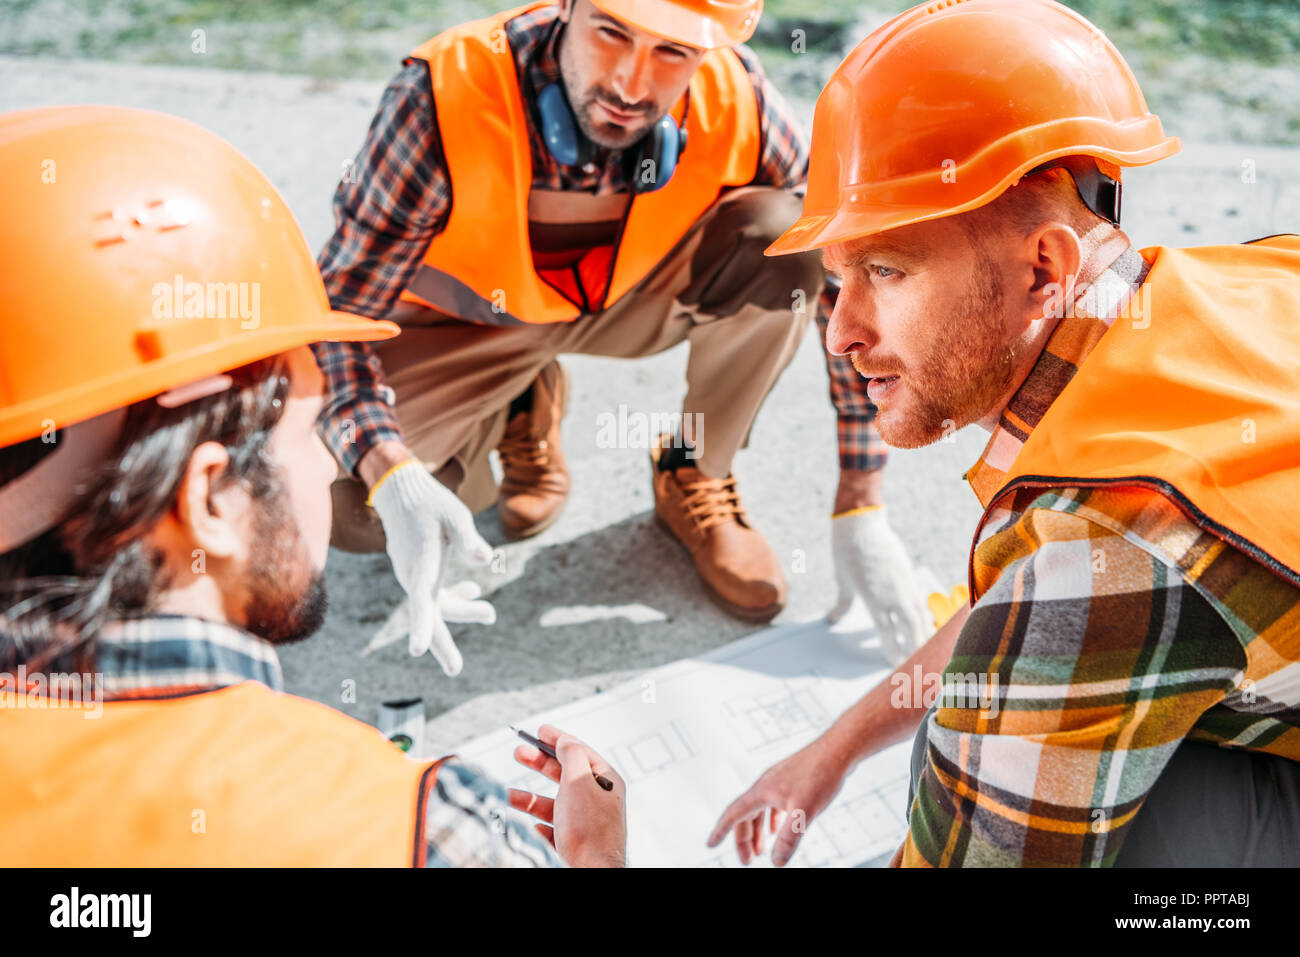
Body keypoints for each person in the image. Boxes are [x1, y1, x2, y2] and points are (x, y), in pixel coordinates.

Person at [709, 0, 1300, 867]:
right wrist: (830, 752)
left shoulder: (1112, 543)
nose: (840, 332)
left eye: (885, 269)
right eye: (838, 277)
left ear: (1044, 268)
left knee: (973, 759)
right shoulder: (1255, 278)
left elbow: (1077, 601)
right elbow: (1044, 613)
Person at [0, 105, 625, 867]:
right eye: (310, 432)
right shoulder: (419, 829)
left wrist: (391, 468)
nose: (331, 465)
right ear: (212, 500)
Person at [314, 0, 932, 675]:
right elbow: (338, 318)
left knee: (786, 239)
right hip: (472, 322)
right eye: (612, 33)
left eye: (673, 52)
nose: (633, 86)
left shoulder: (740, 96)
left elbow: (846, 273)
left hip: (627, 300)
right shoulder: (438, 96)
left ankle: (693, 469)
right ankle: (519, 401)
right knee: (356, 510)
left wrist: (861, 503)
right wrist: (393, 472)